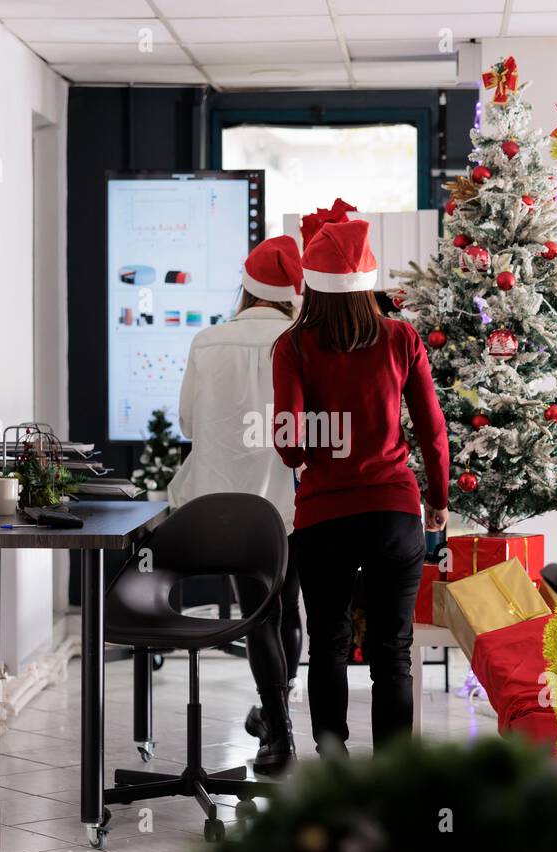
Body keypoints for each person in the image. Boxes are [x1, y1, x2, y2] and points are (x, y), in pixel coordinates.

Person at [271, 217, 449, 756]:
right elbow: (432, 427)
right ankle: (394, 777)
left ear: (313, 286)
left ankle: (332, 762)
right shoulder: (401, 337)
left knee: (328, 643)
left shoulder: (293, 345)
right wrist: (438, 500)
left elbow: (290, 445)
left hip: (324, 521)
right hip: (394, 513)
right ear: (367, 282)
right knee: (392, 650)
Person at [168, 235, 305, 774]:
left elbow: (186, 424)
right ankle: (276, 721)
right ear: (291, 296)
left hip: (221, 510)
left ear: (246, 289)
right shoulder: (298, 342)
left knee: (257, 616)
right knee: (283, 610)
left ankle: (276, 730)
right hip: (285, 507)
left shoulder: (207, 342)